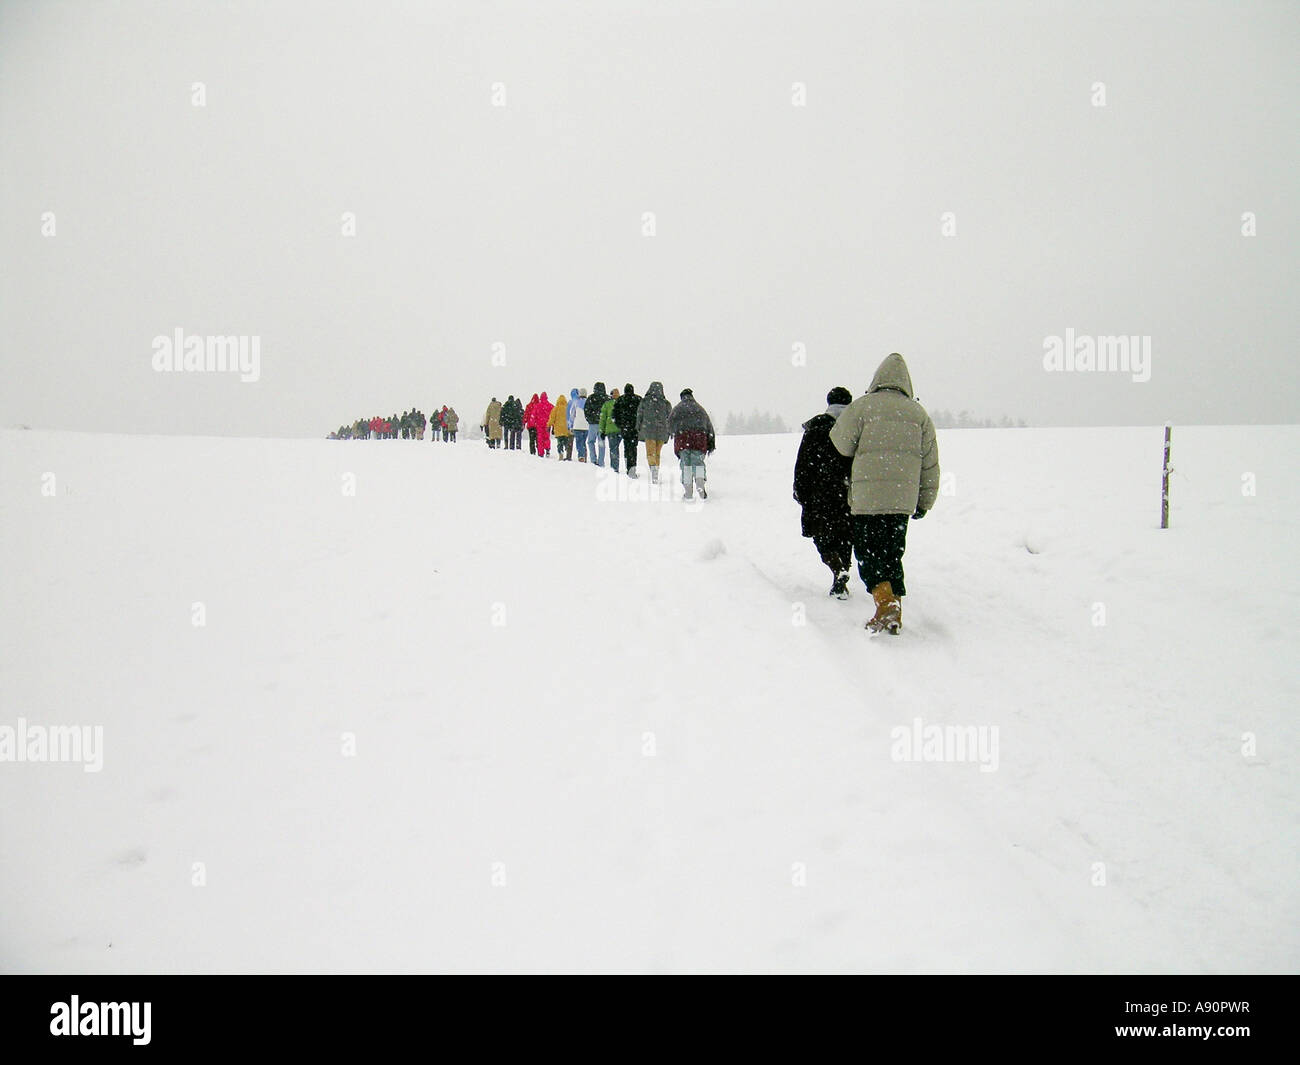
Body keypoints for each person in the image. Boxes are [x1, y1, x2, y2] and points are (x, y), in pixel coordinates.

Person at [829, 353, 940, 634]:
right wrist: (924, 501)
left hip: (868, 499)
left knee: (869, 555)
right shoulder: (919, 415)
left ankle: (885, 603)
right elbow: (930, 464)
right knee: (892, 554)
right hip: (902, 501)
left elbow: (840, 444)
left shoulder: (863, 407)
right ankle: (893, 613)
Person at [794, 387, 855, 598]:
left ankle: (836, 567)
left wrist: (800, 491)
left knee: (821, 535)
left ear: (829, 403)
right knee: (846, 535)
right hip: (849, 492)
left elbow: (803, 463)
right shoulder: (857, 428)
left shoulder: (816, 427)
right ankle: (843, 569)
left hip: (818, 493)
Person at [667, 387, 715, 500]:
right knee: (698, 462)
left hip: (683, 439)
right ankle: (700, 483)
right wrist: (711, 442)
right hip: (699, 438)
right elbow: (708, 425)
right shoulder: (700, 408)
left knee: (686, 465)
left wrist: (672, 432)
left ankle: (688, 490)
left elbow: (669, 423)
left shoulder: (678, 408)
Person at [635, 381, 672, 483]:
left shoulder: (645, 401)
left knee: (650, 453)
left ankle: (653, 471)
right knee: (657, 453)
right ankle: (656, 470)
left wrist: (638, 427)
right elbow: (670, 418)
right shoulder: (666, 403)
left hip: (648, 431)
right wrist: (670, 431)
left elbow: (639, 415)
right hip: (662, 432)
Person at [612, 383, 640, 477]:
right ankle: (632, 468)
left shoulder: (620, 400)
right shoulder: (638, 399)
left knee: (626, 448)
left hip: (625, 428)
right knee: (633, 448)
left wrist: (620, 425)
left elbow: (614, 414)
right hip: (635, 428)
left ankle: (628, 467)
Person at [585, 383, 609, 467]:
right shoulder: (607, 398)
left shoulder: (591, 398)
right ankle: (601, 462)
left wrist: (589, 419)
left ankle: (593, 459)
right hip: (603, 424)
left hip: (593, 424)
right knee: (601, 443)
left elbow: (586, 410)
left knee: (590, 441)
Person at [530, 391, 554, 457]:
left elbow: (533, 415)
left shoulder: (537, 406)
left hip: (539, 425)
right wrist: (553, 424)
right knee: (547, 437)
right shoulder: (550, 406)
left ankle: (541, 453)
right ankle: (547, 449)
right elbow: (553, 415)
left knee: (540, 438)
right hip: (547, 425)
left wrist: (532, 423)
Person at [569, 387, 590, 462]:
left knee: (579, 442)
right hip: (586, 426)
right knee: (583, 442)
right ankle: (584, 455)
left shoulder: (576, 402)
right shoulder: (589, 402)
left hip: (577, 426)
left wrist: (570, 425)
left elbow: (572, 415)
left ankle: (581, 456)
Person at [549, 390, 571, 459]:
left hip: (558, 430)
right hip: (566, 429)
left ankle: (560, 453)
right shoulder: (567, 408)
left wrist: (548, 425)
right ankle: (567, 452)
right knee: (566, 442)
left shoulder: (555, 409)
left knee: (559, 443)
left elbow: (552, 418)